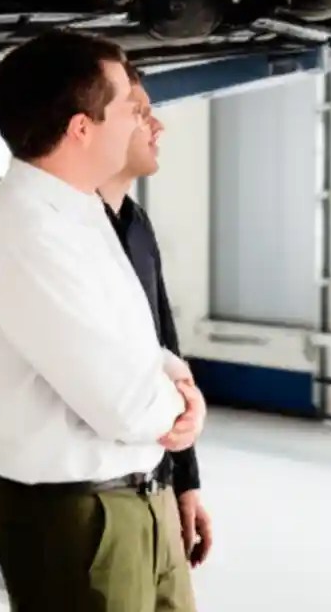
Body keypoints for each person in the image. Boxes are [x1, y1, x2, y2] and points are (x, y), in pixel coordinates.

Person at [0, 30, 207, 611]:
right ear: (81, 127)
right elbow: (121, 402)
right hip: (84, 520)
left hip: (138, 500)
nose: (141, 122)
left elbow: (143, 345)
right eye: (131, 108)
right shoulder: (31, 235)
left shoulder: (82, 212)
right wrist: (183, 404)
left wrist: (180, 389)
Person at [96, 64, 213, 606]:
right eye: (140, 112)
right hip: (103, 492)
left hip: (155, 481)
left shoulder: (137, 223)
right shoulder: (69, 229)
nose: (156, 125)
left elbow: (166, 346)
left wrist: (185, 481)